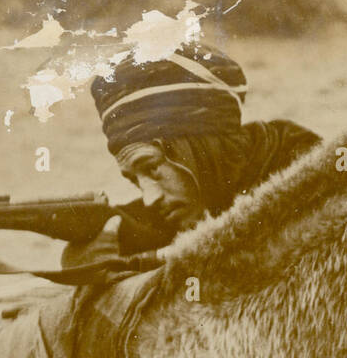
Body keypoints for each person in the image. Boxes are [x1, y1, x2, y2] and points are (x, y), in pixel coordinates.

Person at [63, 41, 321, 268]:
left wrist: (138, 267)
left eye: (152, 168)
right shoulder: (195, 198)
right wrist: (86, 259)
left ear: (200, 145)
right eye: (135, 180)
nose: (150, 198)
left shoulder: (315, 182)